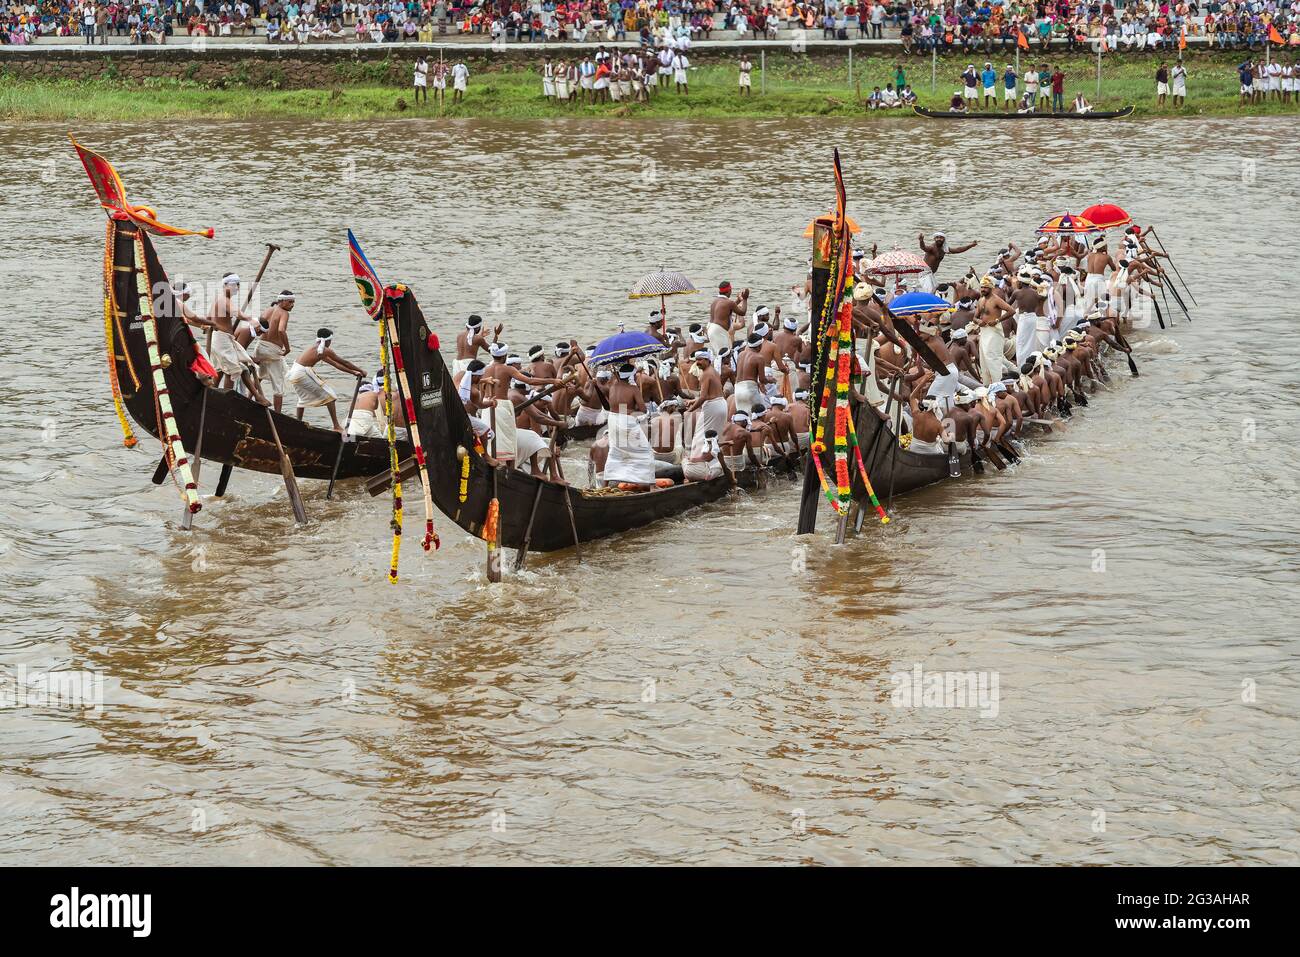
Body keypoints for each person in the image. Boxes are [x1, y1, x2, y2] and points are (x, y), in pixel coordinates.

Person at [206, 273, 270, 405]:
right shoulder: (224, 300)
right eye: (234, 284)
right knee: (233, 370)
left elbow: (208, 319)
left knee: (240, 367)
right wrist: (250, 319)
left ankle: (213, 393)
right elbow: (237, 313)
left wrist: (209, 326)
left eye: (238, 284)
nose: (237, 287)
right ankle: (225, 400)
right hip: (221, 340)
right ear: (225, 285)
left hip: (224, 339)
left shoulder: (220, 300)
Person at [288, 328, 365, 430]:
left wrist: (353, 372)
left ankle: (298, 422)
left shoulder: (317, 348)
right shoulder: (324, 350)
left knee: (302, 397)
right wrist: (361, 370)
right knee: (330, 396)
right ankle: (336, 426)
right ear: (328, 340)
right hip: (300, 374)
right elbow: (344, 362)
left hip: (293, 373)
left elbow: (335, 364)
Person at [600, 362, 654, 489]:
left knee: (614, 451)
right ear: (631, 376)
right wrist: (636, 403)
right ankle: (652, 486)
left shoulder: (612, 386)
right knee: (646, 452)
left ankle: (605, 485)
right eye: (634, 375)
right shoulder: (633, 389)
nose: (636, 377)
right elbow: (643, 409)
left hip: (612, 419)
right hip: (626, 421)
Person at [249, 290, 294, 412]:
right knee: (278, 383)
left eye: (293, 302)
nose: (292, 305)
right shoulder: (284, 313)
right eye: (290, 302)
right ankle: (278, 414)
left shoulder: (268, 310)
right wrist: (288, 348)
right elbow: (281, 330)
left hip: (260, 346)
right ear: (282, 301)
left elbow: (257, 325)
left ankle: (248, 400)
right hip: (272, 350)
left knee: (258, 376)